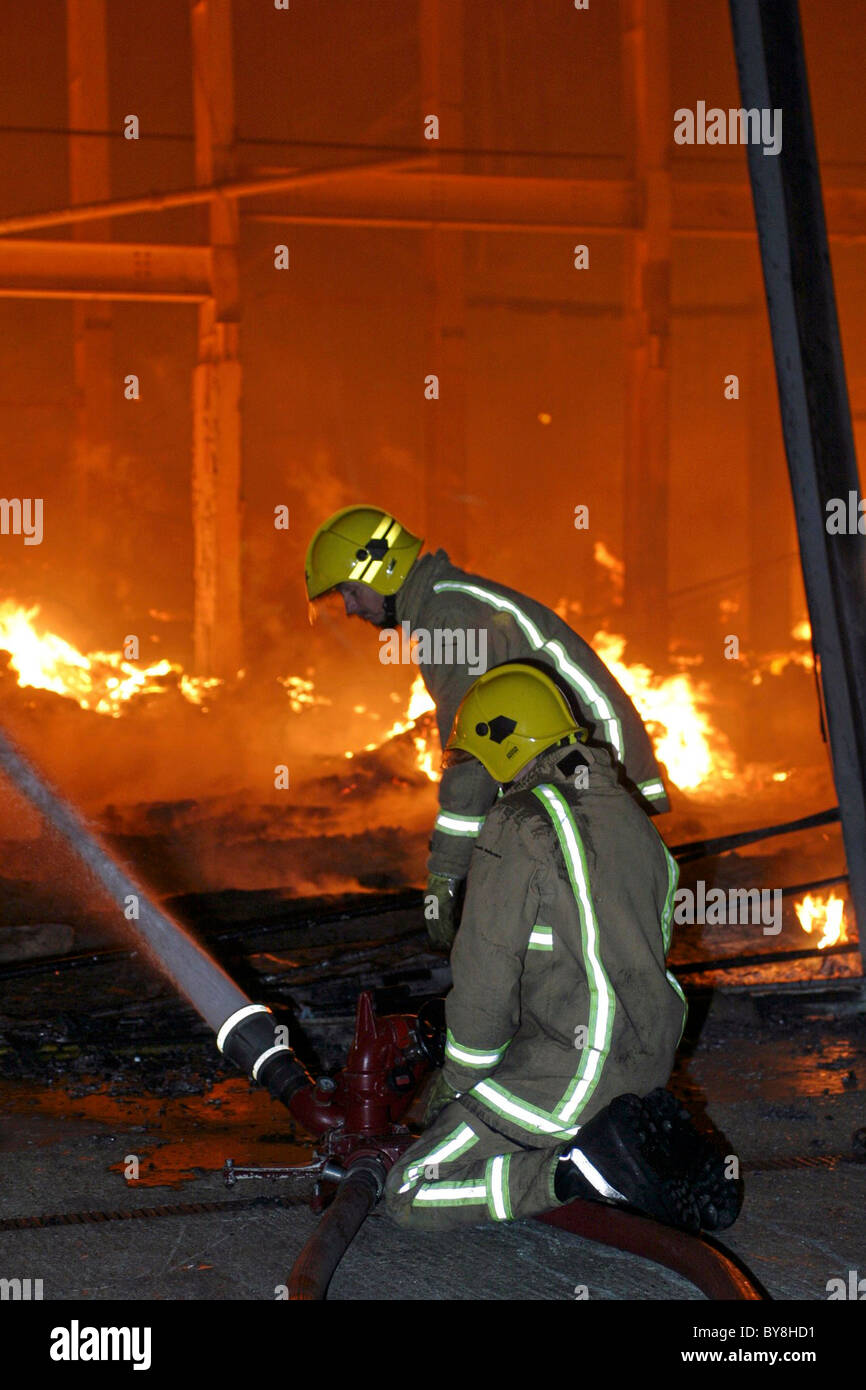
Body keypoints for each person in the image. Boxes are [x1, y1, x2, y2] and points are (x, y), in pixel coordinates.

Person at [383, 661, 741, 1235]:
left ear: (501, 745)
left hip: (570, 1075)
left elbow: (484, 978)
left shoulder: (518, 822)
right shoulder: (631, 819)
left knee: (407, 1188)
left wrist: (454, 1083)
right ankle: (624, 1154)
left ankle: (577, 1170)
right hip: (645, 1065)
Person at [305, 505, 670, 949]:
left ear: (379, 567)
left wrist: (446, 872)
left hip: (597, 773)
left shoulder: (449, 618)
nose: (347, 607)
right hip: (589, 767)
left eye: (348, 590)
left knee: (572, 938)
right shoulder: (446, 602)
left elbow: (473, 754)